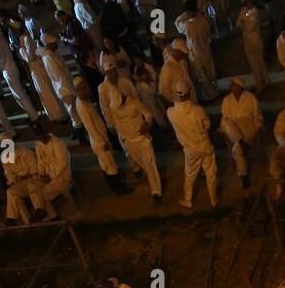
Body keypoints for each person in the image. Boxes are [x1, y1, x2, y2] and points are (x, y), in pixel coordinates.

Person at [100, 75, 162, 202]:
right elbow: (117, 123)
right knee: (146, 165)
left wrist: (146, 124)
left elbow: (148, 114)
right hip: (130, 142)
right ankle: (155, 179)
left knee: (150, 164)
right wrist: (123, 139)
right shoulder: (113, 107)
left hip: (142, 138)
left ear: (122, 96)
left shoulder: (133, 102)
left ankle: (156, 192)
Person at [167, 81, 219, 210]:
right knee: (211, 173)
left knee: (189, 175)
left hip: (190, 150)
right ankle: (213, 199)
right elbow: (207, 125)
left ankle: (188, 200)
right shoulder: (198, 110)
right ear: (189, 93)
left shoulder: (171, 112)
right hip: (205, 145)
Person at [0, 17, 39, 123]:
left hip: (8, 68)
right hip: (10, 66)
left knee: (19, 95)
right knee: (19, 94)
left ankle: (34, 116)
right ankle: (32, 115)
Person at [73, 80, 124, 194]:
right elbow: (90, 126)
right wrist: (101, 142)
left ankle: (117, 187)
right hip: (99, 141)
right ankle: (118, 189)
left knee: (106, 164)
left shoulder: (83, 101)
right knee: (110, 166)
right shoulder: (82, 105)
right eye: (84, 88)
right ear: (78, 90)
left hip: (100, 138)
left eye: (87, 87)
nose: (87, 89)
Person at [220, 76, 264, 188]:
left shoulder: (250, 98)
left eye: (233, 84)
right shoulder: (227, 100)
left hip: (248, 128)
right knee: (225, 122)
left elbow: (257, 115)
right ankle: (244, 174)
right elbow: (225, 118)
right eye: (231, 85)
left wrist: (257, 127)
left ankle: (239, 143)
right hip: (233, 129)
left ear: (240, 87)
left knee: (237, 147)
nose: (231, 87)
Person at [1, 134, 49, 223]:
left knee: (32, 186)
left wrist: (25, 176)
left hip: (33, 178)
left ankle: (40, 210)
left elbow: (35, 167)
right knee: (10, 192)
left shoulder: (25, 151)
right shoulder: (4, 158)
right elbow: (8, 173)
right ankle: (14, 218)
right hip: (19, 182)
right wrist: (15, 179)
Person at [178, 0, 219, 100]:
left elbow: (178, 23)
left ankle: (207, 96)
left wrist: (186, 14)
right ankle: (215, 92)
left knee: (201, 74)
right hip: (206, 49)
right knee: (210, 71)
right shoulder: (203, 19)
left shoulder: (187, 25)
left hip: (196, 52)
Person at [34, 121, 75, 209]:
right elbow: (40, 161)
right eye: (38, 136)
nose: (41, 138)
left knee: (44, 191)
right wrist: (42, 174)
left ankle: (51, 213)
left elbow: (62, 163)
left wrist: (50, 176)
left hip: (62, 175)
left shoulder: (57, 142)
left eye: (42, 135)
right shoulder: (38, 144)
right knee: (32, 187)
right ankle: (48, 212)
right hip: (48, 175)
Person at [236, 0, 268, 92]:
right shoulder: (243, 10)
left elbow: (250, 27)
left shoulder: (255, 11)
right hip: (247, 40)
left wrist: (244, 23)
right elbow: (238, 23)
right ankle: (260, 83)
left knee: (258, 62)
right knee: (253, 63)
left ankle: (262, 83)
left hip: (255, 40)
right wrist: (245, 24)